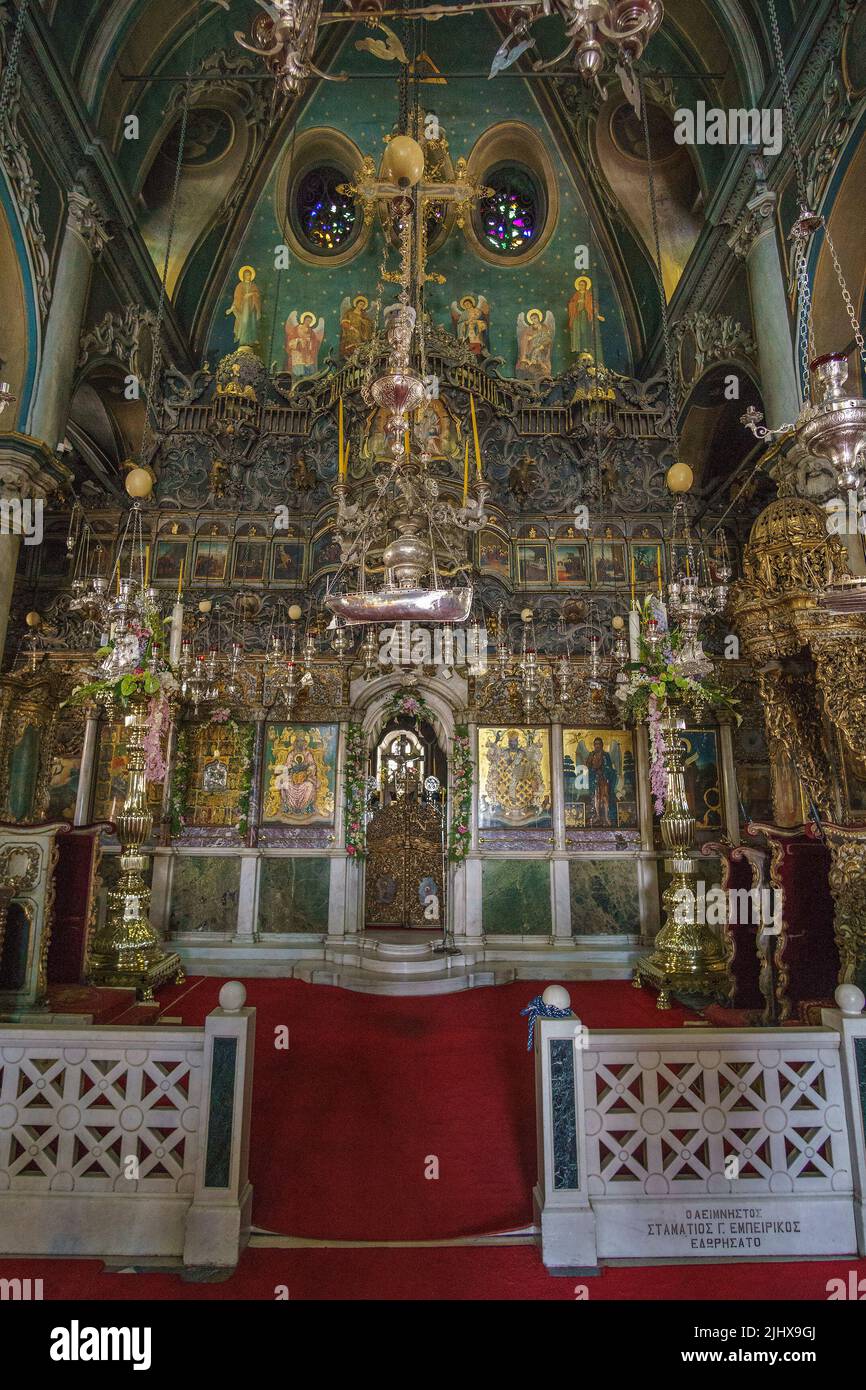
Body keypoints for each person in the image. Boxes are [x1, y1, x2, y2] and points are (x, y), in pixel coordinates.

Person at [226, 267, 261, 347]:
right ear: (243, 276)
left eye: (249, 275)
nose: (248, 276)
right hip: (244, 307)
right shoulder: (240, 286)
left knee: (252, 322)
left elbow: (257, 295)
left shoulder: (253, 285)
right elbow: (237, 298)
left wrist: (251, 294)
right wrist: (232, 308)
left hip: (252, 306)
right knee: (244, 322)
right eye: (246, 275)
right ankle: (243, 339)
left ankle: (253, 338)